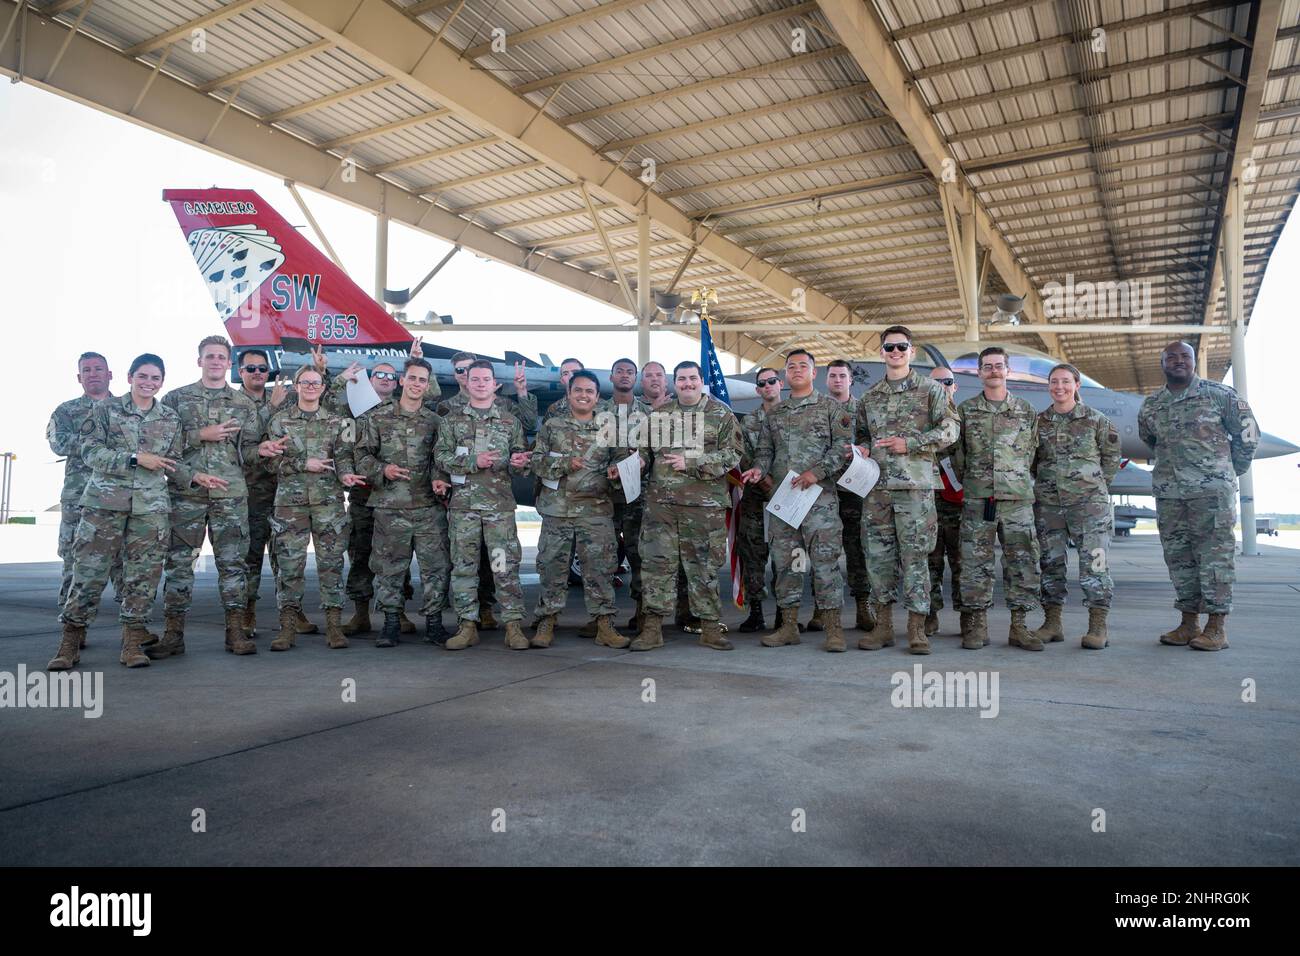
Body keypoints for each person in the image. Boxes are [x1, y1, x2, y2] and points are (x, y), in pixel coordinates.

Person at [49, 354, 226, 670]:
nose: (148, 383)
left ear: (161, 382)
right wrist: (134, 458)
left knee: (142, 577)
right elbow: (90, 452)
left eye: (155, 378)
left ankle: (131, 643)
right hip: (105, 505)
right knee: (88, 572)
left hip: (150, 510)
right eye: (142, 376)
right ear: (130, 377)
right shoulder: (104, 410)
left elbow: (171, 461)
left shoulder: (169, 418)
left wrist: (194, 476)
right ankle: (70, 642)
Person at [1138, 340, 1259, 651]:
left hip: (1211, 494)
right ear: (1162, 363)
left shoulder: (1219, 395)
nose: (1179, 361)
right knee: (1179, 559)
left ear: (1193, 361)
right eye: (1171, 357)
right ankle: (1189, 622)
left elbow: (1248, 435)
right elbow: (1151, 440)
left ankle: (1217, 627)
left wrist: (1228, 471)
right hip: (1171, 494)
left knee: (1215, 558)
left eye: (1185, 356)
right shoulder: (1152, 405)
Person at [853, 327, 958, 654]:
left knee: (916, 559)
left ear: (911, 352)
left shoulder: (931, 390)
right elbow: (861, 436)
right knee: (878, 560)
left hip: (915, 491)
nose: (895, 351)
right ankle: (883, 627)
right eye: (889, 347)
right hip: (877, 493)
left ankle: (917, 628)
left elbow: (951, 430)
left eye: (901, 346)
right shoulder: (870, 397)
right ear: (882, 352)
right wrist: (864, 448)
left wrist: (911, 442)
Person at [157, 336, 263, 657]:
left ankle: (236, 632)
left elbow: (248, 451)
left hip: (229, 496)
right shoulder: (175, 400)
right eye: (210, 356)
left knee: (233, 566)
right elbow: (163, 449)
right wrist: (200, 435)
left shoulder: (244, 405)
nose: (216, 361)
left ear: (229, 363)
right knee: (178, 565)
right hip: (186, 495)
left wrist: (264, 450)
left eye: (221, 357)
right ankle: (173, 634)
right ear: (199, 360)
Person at [741, 349, 853, 652]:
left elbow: (843, 450)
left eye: (804, 366)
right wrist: (758, 469)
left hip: (820, 501)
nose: (797, 370)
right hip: (785, 500)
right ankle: (788, 626)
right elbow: (765, 451)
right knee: (787, 563)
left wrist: (815, 473)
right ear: (786, 374)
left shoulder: (831, 408)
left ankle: (833, 629)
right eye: (791, 366)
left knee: (825, 564)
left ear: (814, 373)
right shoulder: (775, 414)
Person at [634, 361, 741, 651]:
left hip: (703, 508)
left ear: (701, 381)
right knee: (657, 567)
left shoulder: (721, 415)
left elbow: (732, 456)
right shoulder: (659, 416)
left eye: (692, 378)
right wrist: (639, 463)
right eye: (681, 379)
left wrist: (692, 463)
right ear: (674, 383)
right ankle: (652, 629)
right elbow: (643, 453)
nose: (687, 383)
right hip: (662, 507)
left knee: (703, 568)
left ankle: (709, 628)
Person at [263, 366, 365, 649]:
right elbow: (269, 463)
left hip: (328, 504)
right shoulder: (279, 421)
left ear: (323, 388)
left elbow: (344, 457)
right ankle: (287, 628)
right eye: (304, 382)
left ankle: (334, 626)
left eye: (315, 383)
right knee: (289, 567)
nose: (310, 386)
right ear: (296, 386)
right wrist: (301, 464)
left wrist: (345, 476)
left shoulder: (338, 422)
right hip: (290, 507)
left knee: (331, 566)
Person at [434, 360, 532, 650]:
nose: (479, 384)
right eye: (474, 379)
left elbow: (520, 460)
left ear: (495, 385)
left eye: (485, 379)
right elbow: (440, 457)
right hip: (463, 508)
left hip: (498, 509)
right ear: (466, 382)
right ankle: (467, 625)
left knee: (504, 567)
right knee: (464, 567)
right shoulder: (452, 420)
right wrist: (471, 461)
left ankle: (513, 625)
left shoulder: (509, 421)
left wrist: (520, 463)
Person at [355, 358, 452, 647]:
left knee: (435, 568)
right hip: (389, 507)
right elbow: (362, 456)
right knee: (389, 568)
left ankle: (434, 624)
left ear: (427, 385)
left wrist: (439, 478)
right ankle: (390, 624)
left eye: (422, 380)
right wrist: (382, 470)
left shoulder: (436, 422)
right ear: (402, 381)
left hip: (427, 508)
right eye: (412, 378)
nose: (416, 384)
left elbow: (442, 459)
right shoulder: (378, 418)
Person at [530, 370, 627, 648]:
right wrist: (563, 464)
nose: (583, 395)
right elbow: (536, 461)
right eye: (578, 390)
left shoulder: (610, 428)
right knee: (552, 567)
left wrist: (616, 471)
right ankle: (547, 620)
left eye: (589, 391)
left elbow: (623, 461)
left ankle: (604, 624)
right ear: (569, 394)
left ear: (597, 396)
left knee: (600, 569)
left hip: (595, 511)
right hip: (557, 510)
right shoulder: (552, 426)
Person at [955, 346, 1042, 650]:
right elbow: (958, 457)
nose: (993, 370)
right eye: (987, 366)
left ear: (1007, 371)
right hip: (979, 500)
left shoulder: (1026, 411)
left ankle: (1020, 626)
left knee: (1022, 562)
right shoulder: (965, 411)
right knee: (975, 563)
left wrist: (1012, 479)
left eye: (998, 366)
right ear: (979, 373)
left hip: (1017, 500)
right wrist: (979, 481)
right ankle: (977, 626)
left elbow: (1032, 452)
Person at [47, 352, 123, 621]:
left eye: (98, 369)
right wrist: (100, 445)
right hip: (79, 496)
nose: (93, 374)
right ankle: (72, 624)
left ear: (110, 374)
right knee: (74, 557)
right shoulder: (66, 411)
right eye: (87, 370)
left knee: (123, 560)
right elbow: (58, 443)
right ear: (79, 377)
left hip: (119, 497)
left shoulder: (126, 408)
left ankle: (133, 628)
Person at [824, 358, 873, 633]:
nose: (838, 380)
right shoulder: (819, 409)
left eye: (842, 375)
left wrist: (865, 447)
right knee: (823, 552)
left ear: (851, 379)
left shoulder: (861, 409)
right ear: (827, 379)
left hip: (854, 489)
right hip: (824, 489)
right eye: (833, 375)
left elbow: (871, 437)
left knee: (857, 550)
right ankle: (823, 608)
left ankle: (863, 605)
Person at [736, 367, 783, 632]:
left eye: (772, 381)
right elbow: (743, 456)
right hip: (755, 498)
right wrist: (765, 483)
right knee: (753, 556)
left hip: (788, 498)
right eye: (762, 383)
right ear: (757, 390)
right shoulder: (749, 422)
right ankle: (756, 612)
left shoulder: (792, 417)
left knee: (784, 558)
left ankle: (783, 613)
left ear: (781, 384)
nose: (767, 386)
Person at [607, 358, 652, 632]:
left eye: (630, 372)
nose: (625, 375)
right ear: (611, 377)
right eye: (620, 371)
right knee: (602, 557)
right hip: (605, 496)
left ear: (636, 378)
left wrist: (644, 459)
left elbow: (655, 450)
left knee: (638, 555)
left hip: (637, 496)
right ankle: (602, 617)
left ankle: (642, 612)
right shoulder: (599, 412)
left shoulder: (648, 413)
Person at [926, 366, 964, 637]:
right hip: (928, 503)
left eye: (947, 381)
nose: (942, 386)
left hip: (961, 504)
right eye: (935, 382)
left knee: (964, 563)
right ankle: (930, 616)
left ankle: (968, 618)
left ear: (955, 386)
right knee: (930, 563)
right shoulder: (919, 420)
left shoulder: (967, 418)